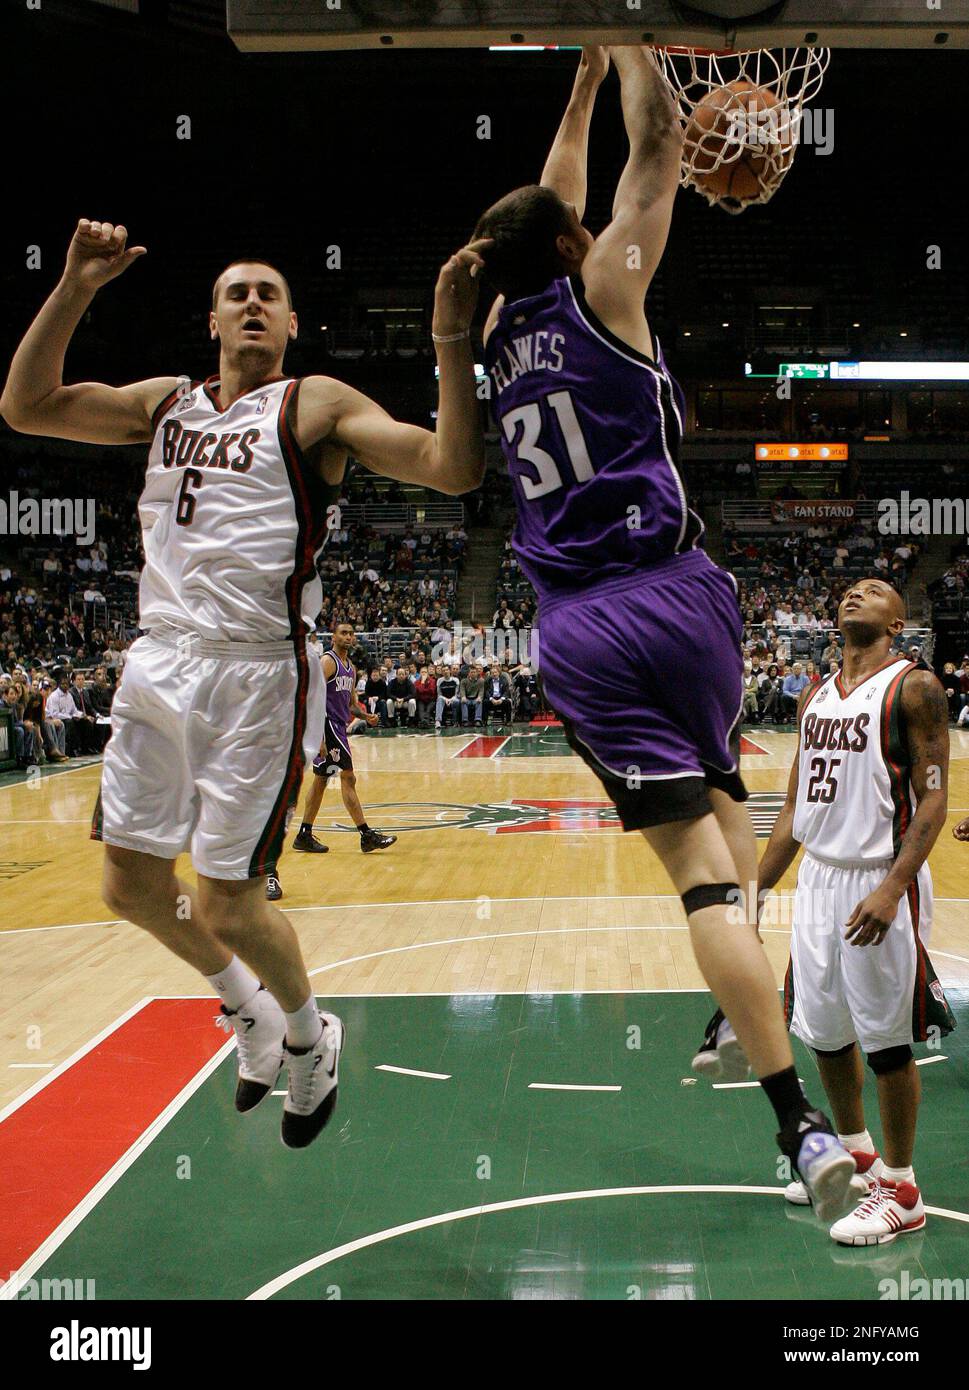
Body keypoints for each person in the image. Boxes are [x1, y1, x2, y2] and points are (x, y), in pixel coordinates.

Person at [1, 217, 487, 1149]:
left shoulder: (314, 406)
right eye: (238, 293)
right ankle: (250, 1012)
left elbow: (453, 468)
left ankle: (310, 1033)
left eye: (270, 294)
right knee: (130, 887)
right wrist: (74, 288)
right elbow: (26, 406)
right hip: (158, 658)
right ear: (213, 319)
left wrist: (448, 339)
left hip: (258, 669)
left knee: (228, 898)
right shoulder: (164, 404)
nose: (254, 303)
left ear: (293, 322)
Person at [470, 46, 853, 1217]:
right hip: (683, 593)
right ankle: (770, 1066)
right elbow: (652, 157)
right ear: (579, 248)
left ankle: (797, 1125)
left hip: (581, 622)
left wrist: (575, 84)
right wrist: (636, 50)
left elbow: (547, 211)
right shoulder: (611, 295)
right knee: (729, 825)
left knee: (700, 870)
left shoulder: (496, 329)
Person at [757, 578, 954, 1244]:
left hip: (878, 876)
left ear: (896, 622)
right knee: (823, 1029)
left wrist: (893, 887)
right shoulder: (813, 694)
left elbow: (932, 801)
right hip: (817, 878)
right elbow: (791, 807)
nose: (854, 596)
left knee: (886, 1042)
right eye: (848, 590)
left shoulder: (915, 688)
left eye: (872, 592)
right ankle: (854, 1152)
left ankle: (900, 1189)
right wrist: (754, 888)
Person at [267, 621, 396, 902]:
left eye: (351, 633)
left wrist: (365, 716)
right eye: (343, 633)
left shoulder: (351, 668)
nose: (348, 637)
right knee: (348, 778)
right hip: (327, 727)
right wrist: (318, 736)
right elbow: (311, 697)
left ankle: (304, 834)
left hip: (339, 726)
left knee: (322, 780)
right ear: (334, 637)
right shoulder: (328, 661)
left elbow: (349, 704)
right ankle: (365, 834)